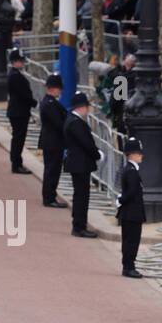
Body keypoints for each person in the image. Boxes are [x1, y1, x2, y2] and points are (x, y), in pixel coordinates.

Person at [63, 92, 100, 238]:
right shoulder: (76, 123)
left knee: (80, 195)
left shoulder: (72, 120)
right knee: (81, 196)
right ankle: (79, 226)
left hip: (78, 163)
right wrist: (97, 155)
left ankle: (79, 225)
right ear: (81, 107)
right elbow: (86, 143)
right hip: (80, 164)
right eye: (86, 107)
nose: (88, 110)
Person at [117, 137, 146, 277]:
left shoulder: (129, 169)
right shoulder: (131, 171)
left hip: (130, 212)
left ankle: (128, 265)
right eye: (138, 153)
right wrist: (121, 200)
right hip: (132, 212)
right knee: (132, 241)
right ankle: (129, 266)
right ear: (131, 154)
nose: (141, 155)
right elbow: (131, 192)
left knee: (130, 240)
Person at [39, 75, 68, 208]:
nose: (60, 91)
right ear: (53, 89)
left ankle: (50, 195)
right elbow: (58, 123)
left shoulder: (49, 102)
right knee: (52, 170)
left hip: (52, 141)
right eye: (58, 89)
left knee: (52, 169)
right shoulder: (50, 104)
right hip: (53, 142)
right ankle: (49, 197)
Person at [7, 47, 34, 174]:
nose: (22, 63)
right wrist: (35, 103)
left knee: (18, 138)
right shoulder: (15, 76)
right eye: (20, 61)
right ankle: (16, 164)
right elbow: (24, 95)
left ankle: (16, 162)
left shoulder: (15, 75)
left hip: (18, 111)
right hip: (19, 112)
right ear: (14, 61)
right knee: (18, 139)